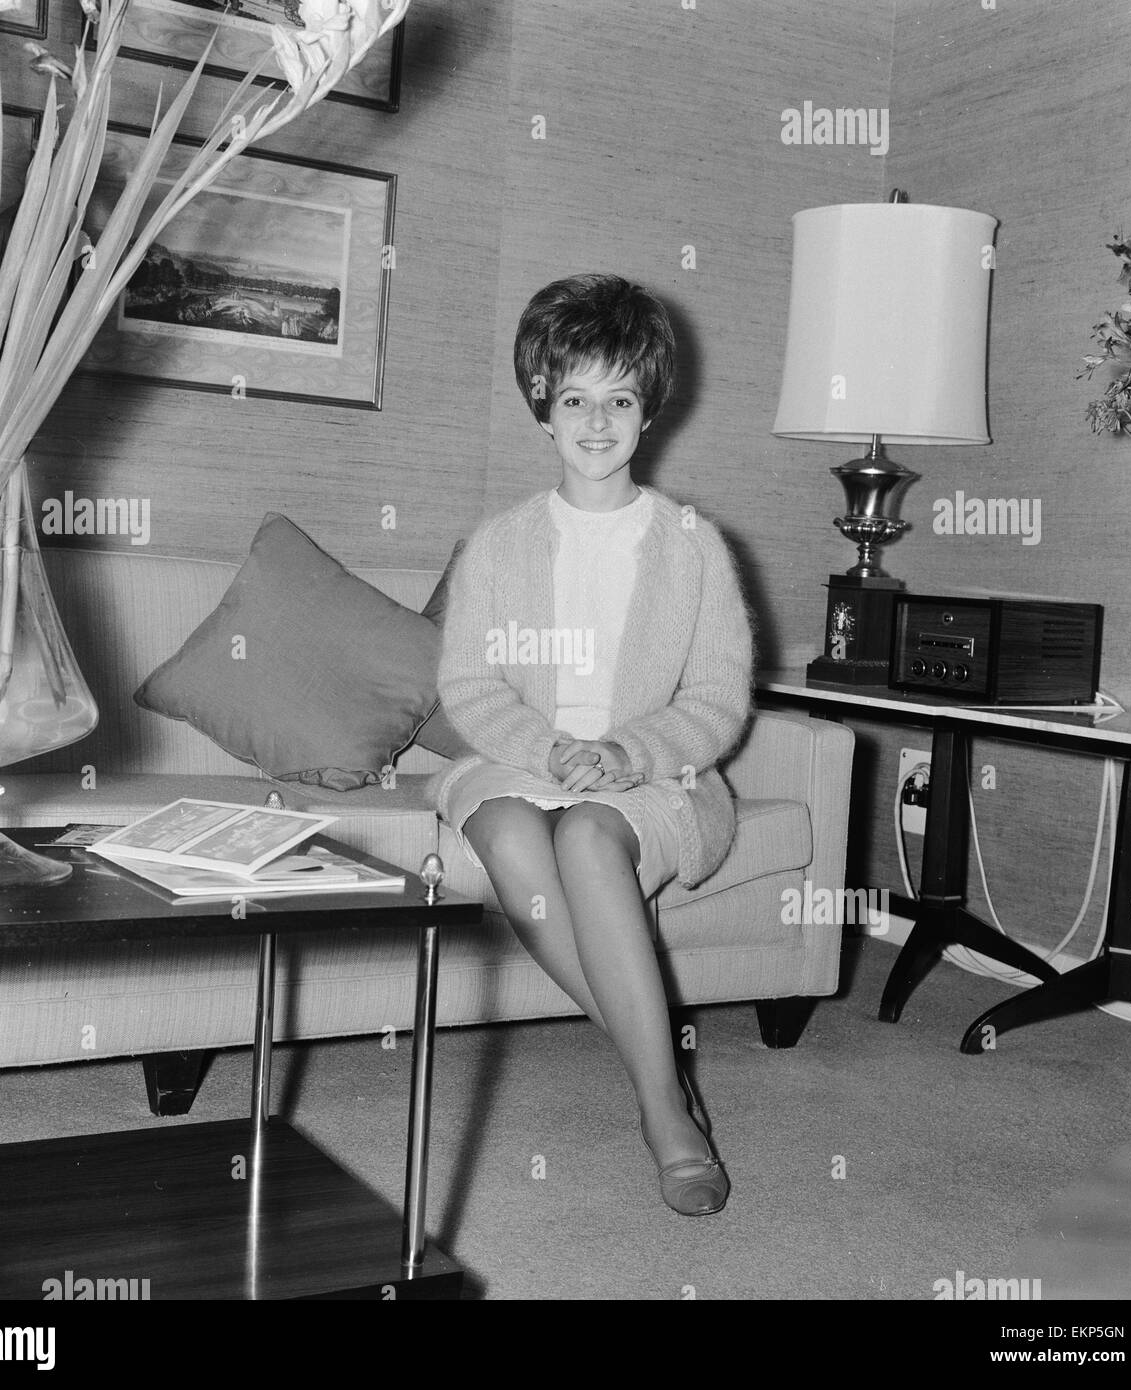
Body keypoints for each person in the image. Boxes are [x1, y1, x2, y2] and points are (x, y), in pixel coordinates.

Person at [429, 273, 754, 1216]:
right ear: (543, 406)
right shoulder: (497, 544)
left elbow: (716, 699)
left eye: (619, 398)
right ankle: (666, 1085)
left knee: (584, 837)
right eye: (574, 397)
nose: (597, 421)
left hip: (654, 770)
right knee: (511, 831)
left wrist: (623, 755)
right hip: (516, 758)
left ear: (649, 408)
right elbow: (470, 687)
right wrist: (547, 749)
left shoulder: (694, 545)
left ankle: (662, 1110)